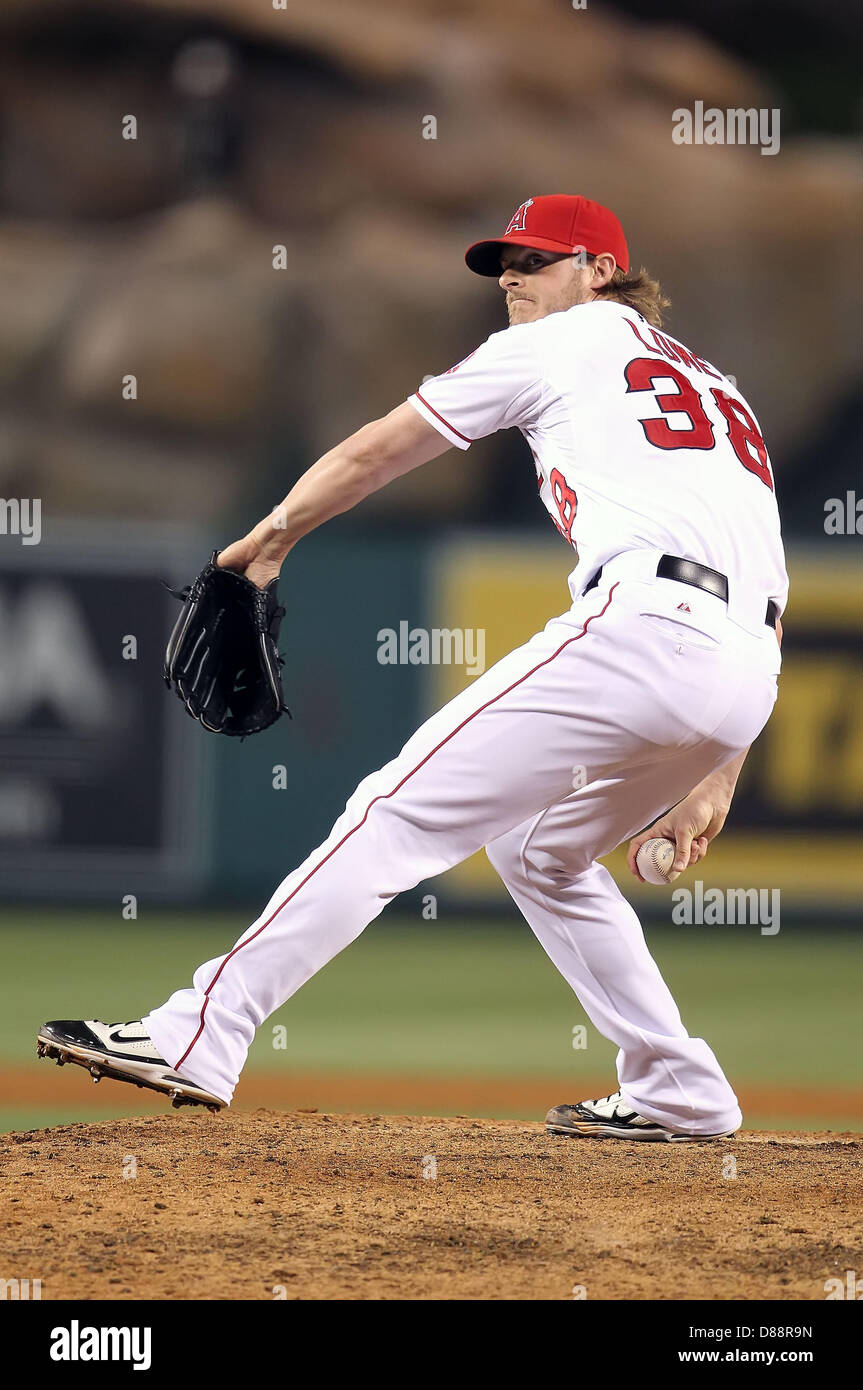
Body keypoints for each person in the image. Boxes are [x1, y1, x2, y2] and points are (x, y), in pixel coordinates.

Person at [39, 194, 787, 1141]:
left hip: (645, 625)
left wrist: (266, 543)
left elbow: (375, 451)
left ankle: (197, 1034)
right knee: (537, 849)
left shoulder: (560, 343)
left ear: (601, 271)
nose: (511, 276)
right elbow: (764, 580)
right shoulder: (720, 390)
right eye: (501, 263)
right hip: (740, 669)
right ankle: (681, 1090)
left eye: (538, 259)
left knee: (393, 816)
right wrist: (718, 763)